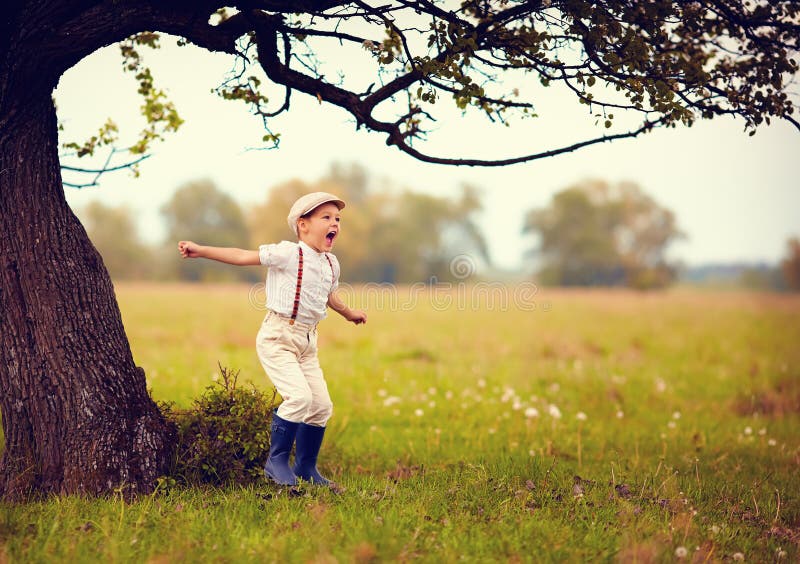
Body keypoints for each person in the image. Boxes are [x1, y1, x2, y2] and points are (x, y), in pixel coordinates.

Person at [177, 192, 367, 487]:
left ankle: (306, 469)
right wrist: (200, 250)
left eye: (338, 219)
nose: (335, 224)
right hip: (278, 336)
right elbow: (242, 256)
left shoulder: (332, 264)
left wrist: (349, 313)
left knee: (321, 406)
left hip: (307, 342)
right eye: (326, 218)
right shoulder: (288, 253)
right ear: (303, 225)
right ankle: (275, 461)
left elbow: (329, 295)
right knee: (300, 398)